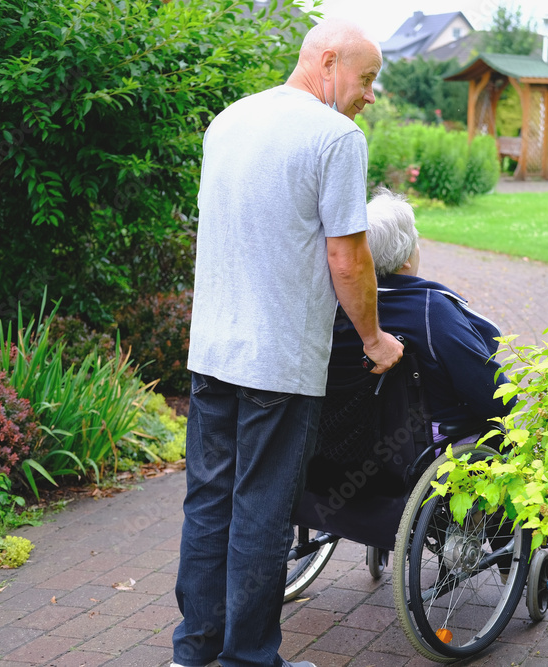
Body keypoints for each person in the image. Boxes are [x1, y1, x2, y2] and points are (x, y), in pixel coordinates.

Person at [172, 20, 403, 667]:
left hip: (212, 351)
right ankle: (248, 658)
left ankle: (193, 651)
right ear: (328, 63)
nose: (371, 94)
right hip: (278, 361)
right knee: (262, 510)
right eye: (366, 79)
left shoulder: (229, 121)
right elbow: (348, 256)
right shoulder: (335, 137)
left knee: (210, 500)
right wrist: (375, 338)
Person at [330, 189, 516, 435]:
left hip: (349, 444)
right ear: (406, 259)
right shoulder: (432, 312)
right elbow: (497, 400)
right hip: (429, 449)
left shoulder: (336, 306)